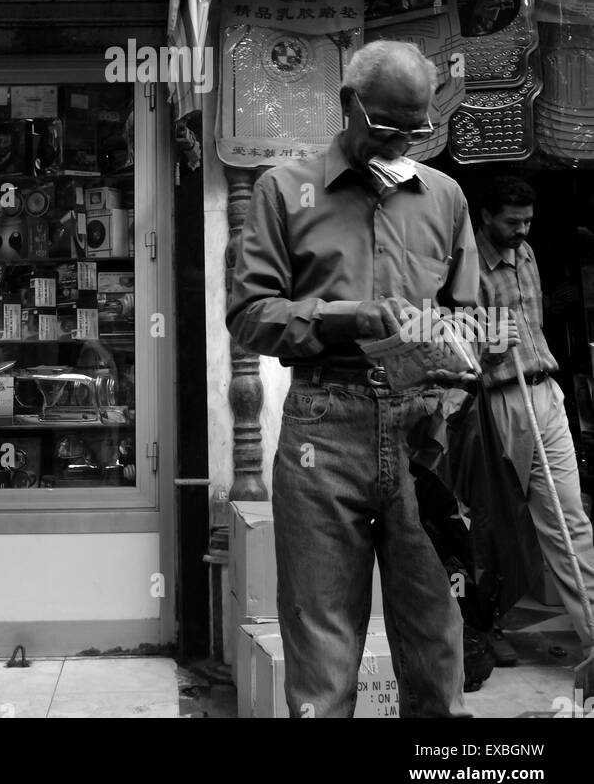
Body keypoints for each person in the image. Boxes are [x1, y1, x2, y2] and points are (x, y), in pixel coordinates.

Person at [227, 39, 479, 718]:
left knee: (436, 643)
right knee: (323, 652)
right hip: (322, 425)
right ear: (349, 104)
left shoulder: (446, 197)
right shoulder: (284, 190)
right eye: (389, 127)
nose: (404, 144)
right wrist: (351, 318)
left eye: (418, 129)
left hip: (423, 429)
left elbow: (470, 319)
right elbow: (250, 318)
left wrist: (454, 381)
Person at [475, 175, 594, 664]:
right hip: (501, 401)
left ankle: (592, 634)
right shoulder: (466, 267)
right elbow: (463, 349)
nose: (522, 231)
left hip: (545, 392)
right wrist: (488, 342)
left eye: (528, 221)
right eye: (511, 221)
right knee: (493, 528)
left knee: (570, 521)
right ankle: (483, 627)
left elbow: (536, 323)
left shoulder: (527, 253)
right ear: (486, 217)